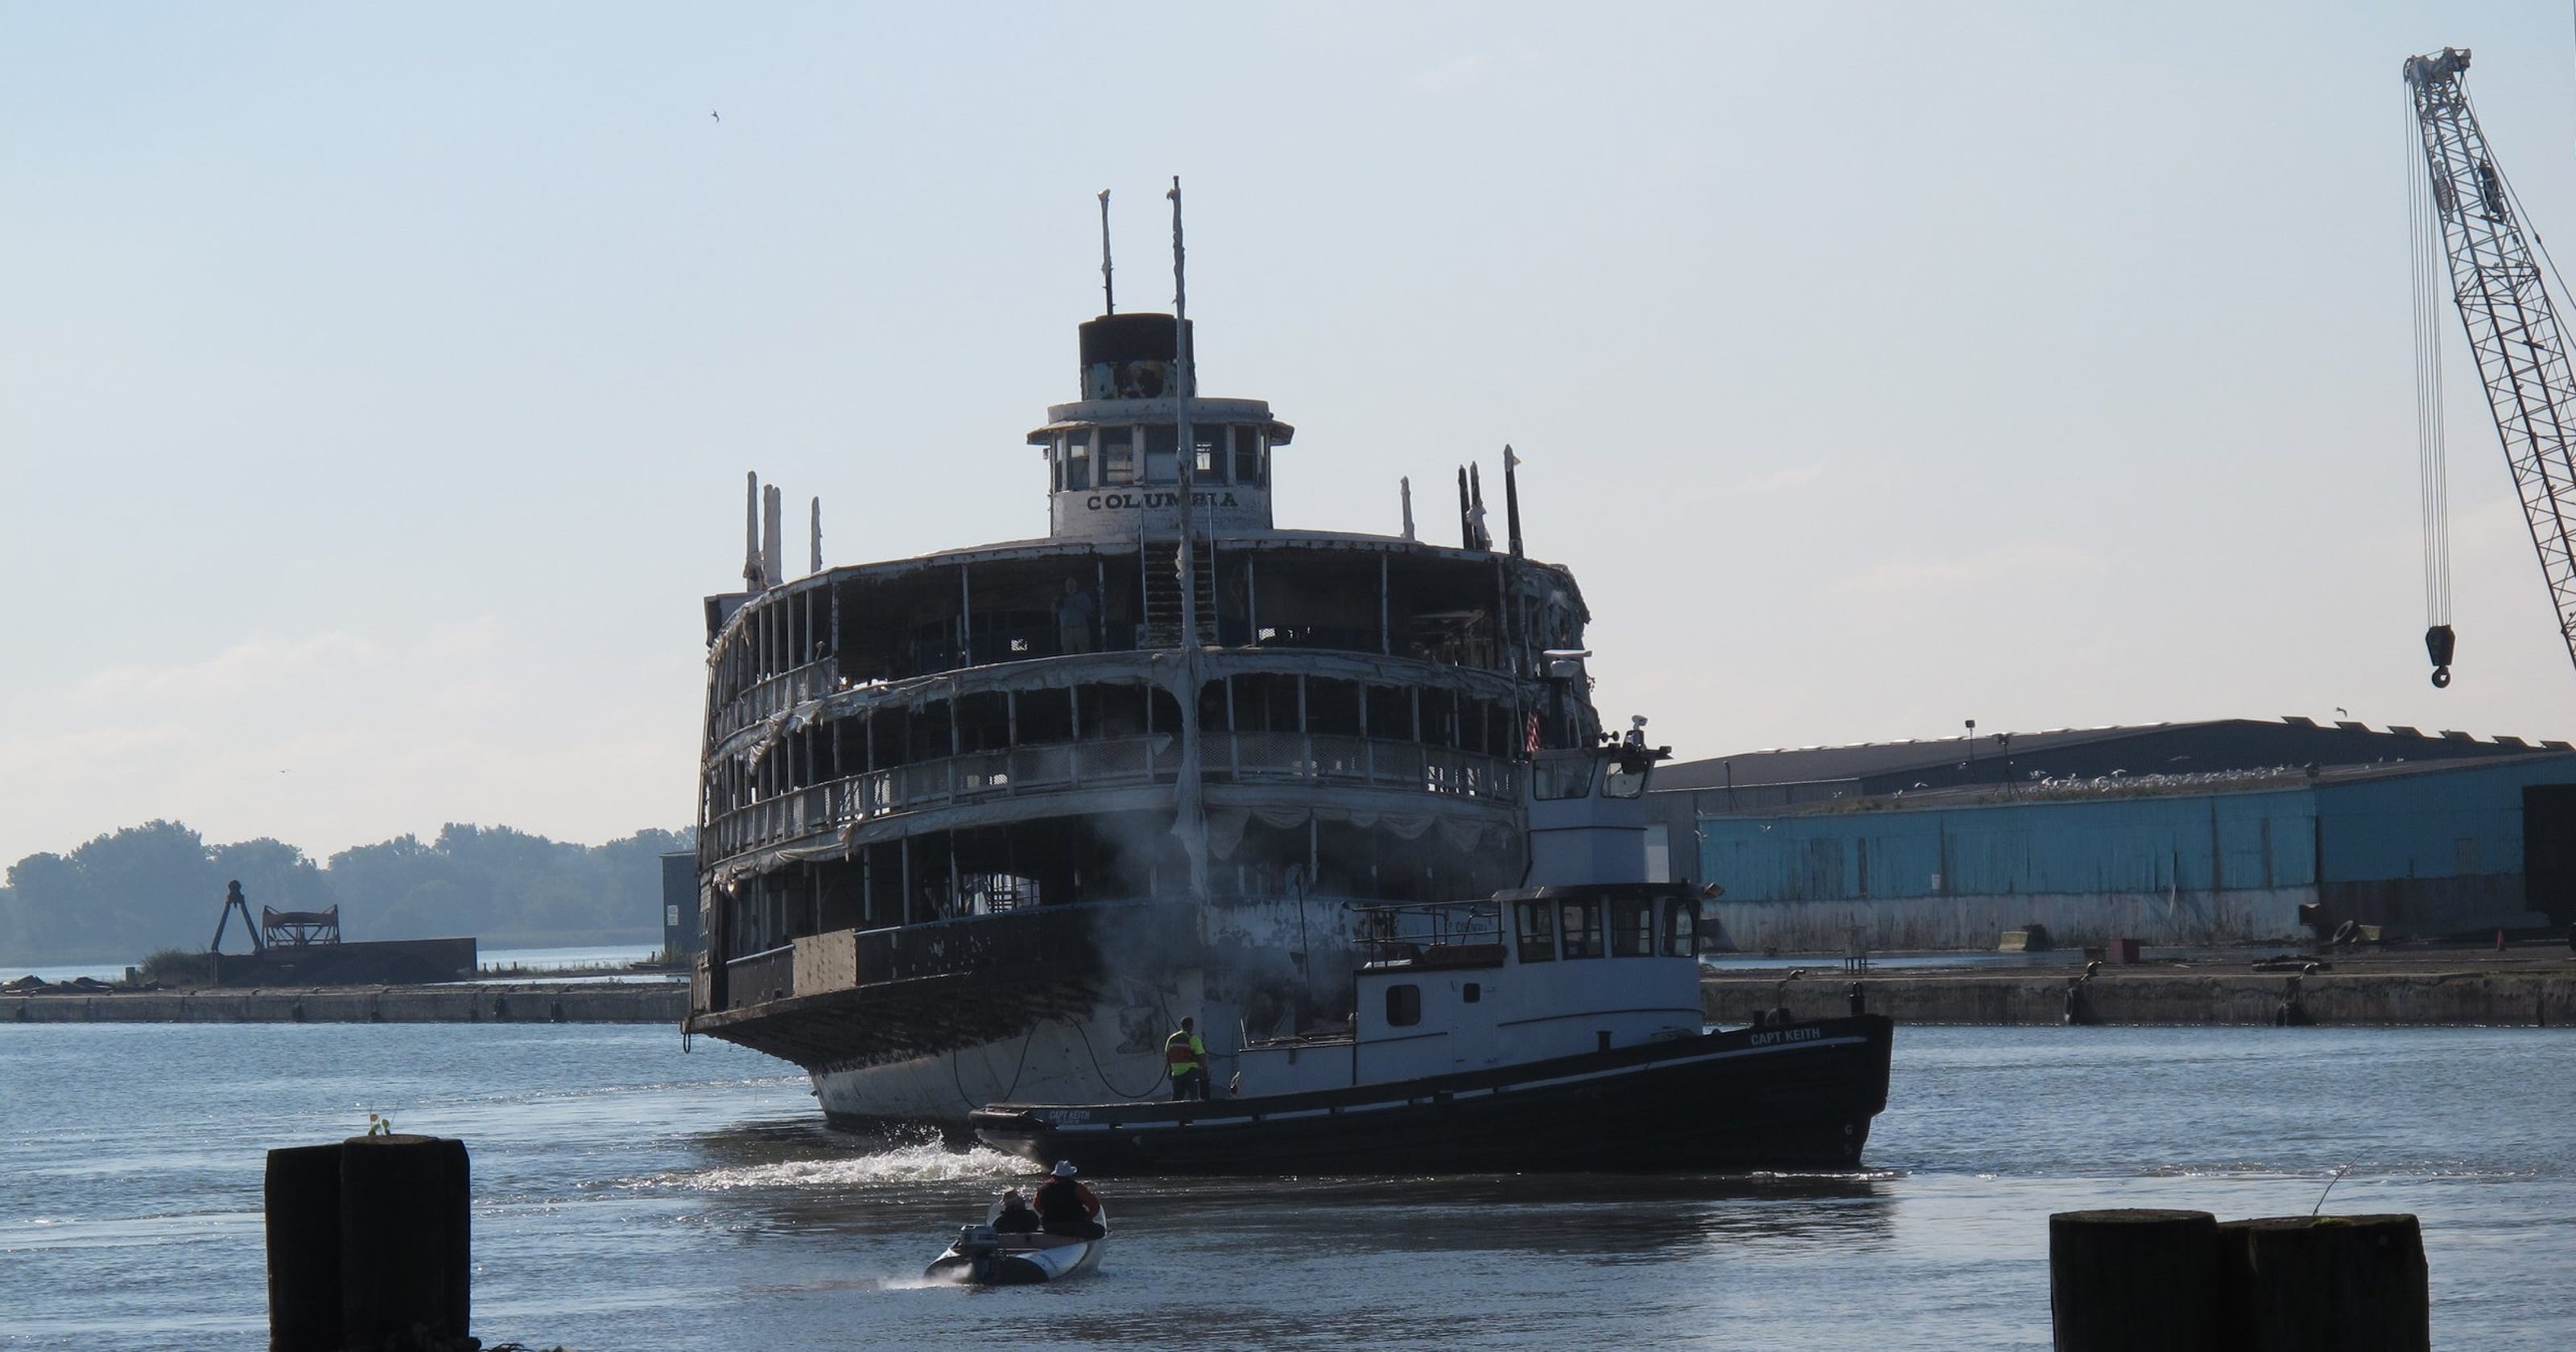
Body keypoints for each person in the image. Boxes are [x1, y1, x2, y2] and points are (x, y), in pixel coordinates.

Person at [1032, 1160, 1104, 1239]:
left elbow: (1036, 1206)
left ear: (1055, 1176)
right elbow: (1095, 1205)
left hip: (1050, 1227)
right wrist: (1088, 1217)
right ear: (1069, 1176)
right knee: (1100, 1230)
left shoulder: (1042, 1189)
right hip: (1074, 1226)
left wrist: (1049, 1216)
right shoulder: (1078, 1188)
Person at [1165, 1016, 1209, 1101]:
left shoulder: (1172, 1038)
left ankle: (1174, 1113)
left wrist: (1170, 1070)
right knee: (1194, 1097)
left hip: (1176, 1072)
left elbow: (1168, 1054)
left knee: (1177, 1098)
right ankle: (1194, 1113)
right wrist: (1204, 1070)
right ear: (1191, 1026)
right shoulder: (1193, 1038)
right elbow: (1201, 1056)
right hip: (1191, 1071)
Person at [1056, 577, 1096, 655]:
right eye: (1069, 585)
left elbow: (1089, 609)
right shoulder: (1061, 596)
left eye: (1072, 584)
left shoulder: (1083, 596)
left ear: (1076, 585)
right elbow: (1055, 609)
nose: (1070, 586)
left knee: (1084, 651)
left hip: (1081, 628)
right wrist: (1058, 603)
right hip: (1066, 630)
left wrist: (1074, 601)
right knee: (1067, 653)